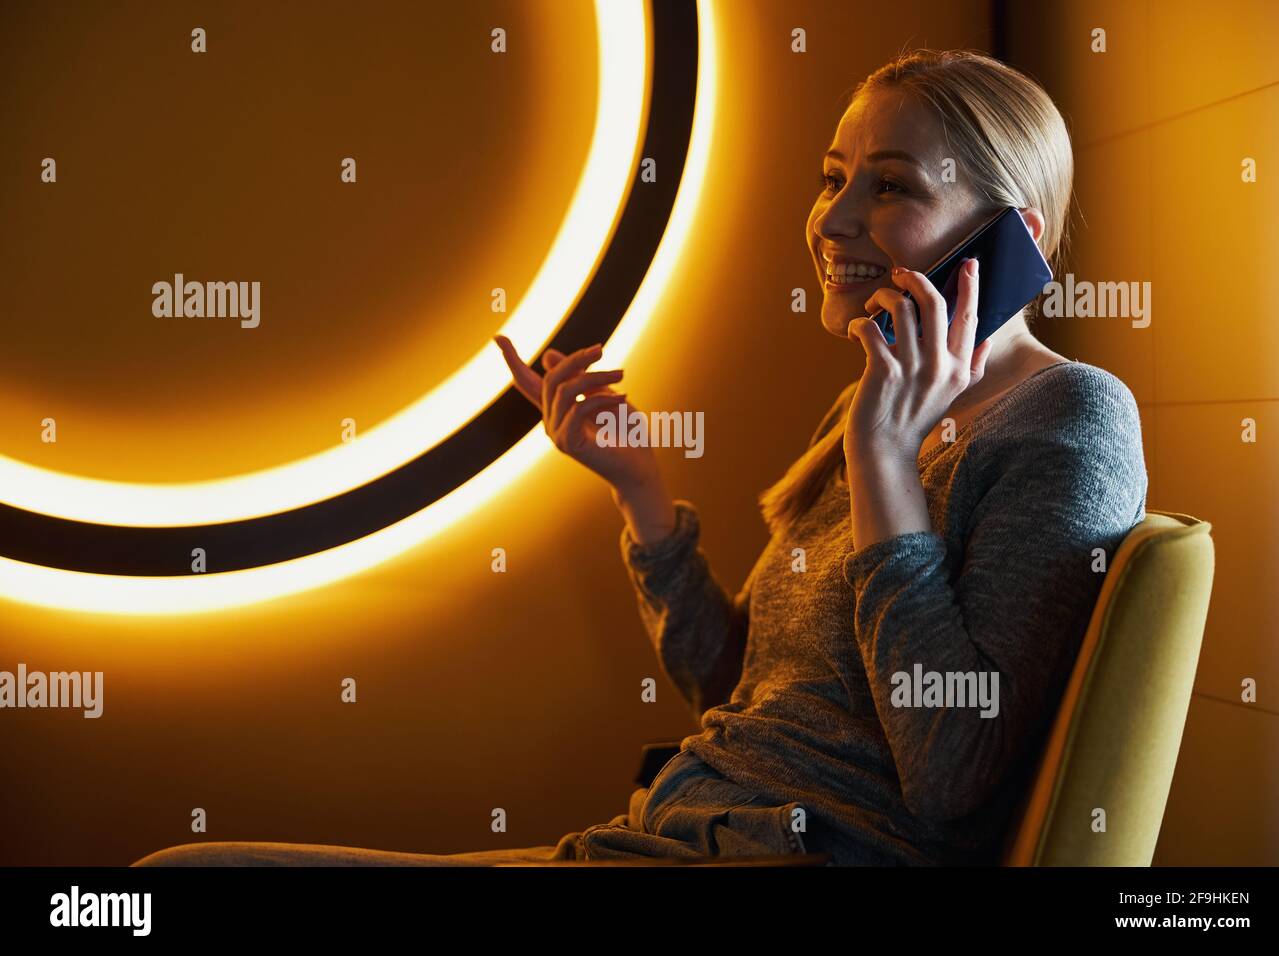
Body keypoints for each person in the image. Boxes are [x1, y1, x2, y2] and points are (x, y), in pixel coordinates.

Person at [133, 48, 1147, 868]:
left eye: (889, 186)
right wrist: (642, 494)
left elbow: (954, 777)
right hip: (654, 837)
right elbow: (734, 692)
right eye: (832, 178)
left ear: (1010, 237)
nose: (833, 220)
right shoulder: (869, 402)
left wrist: (883, 462)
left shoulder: (1065, 420)